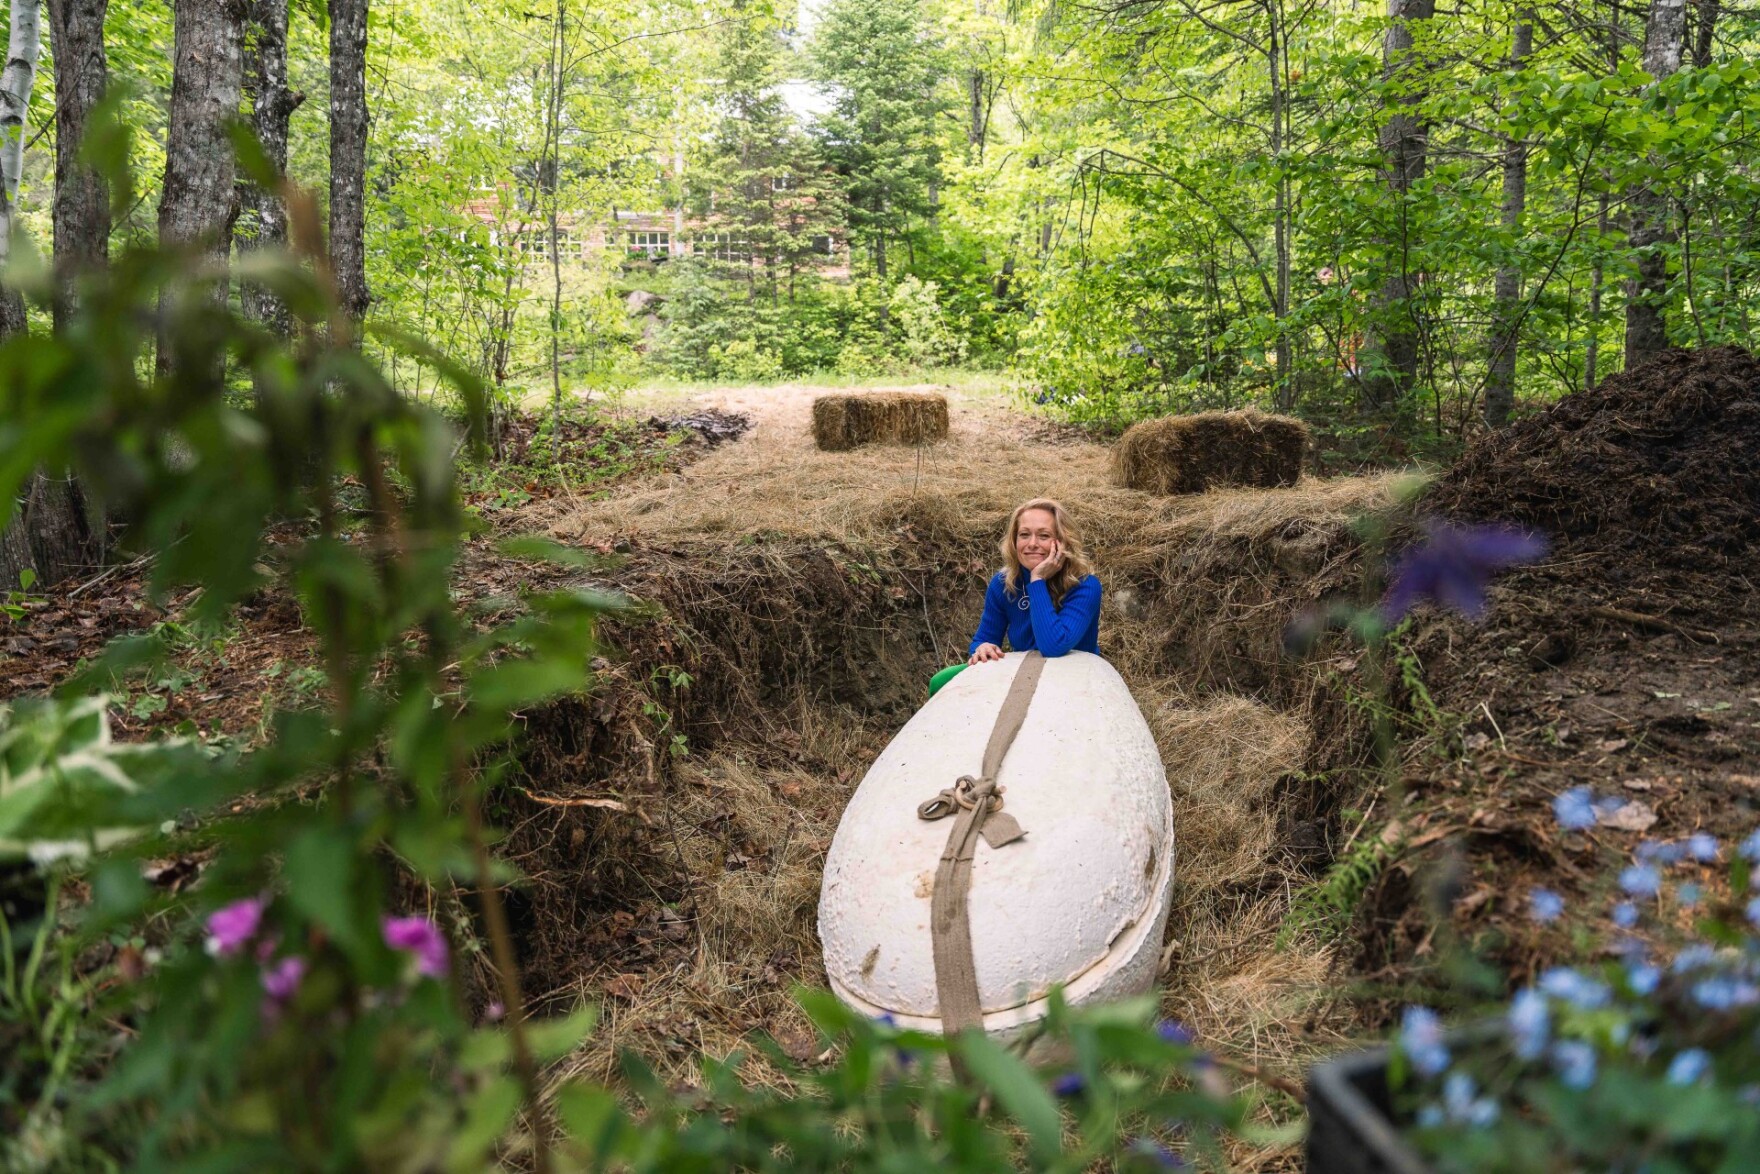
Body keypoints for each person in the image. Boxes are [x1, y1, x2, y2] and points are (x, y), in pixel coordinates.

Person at [927, 497, 1102, 698]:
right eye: (1024, 535)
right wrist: (982, 647)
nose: (1032, 544)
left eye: (1044, 536)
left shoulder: (1085, 586)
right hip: (1023, 670)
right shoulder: (1004, 583)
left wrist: (1037, 581)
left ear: (1062, 542)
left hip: (1072, 673)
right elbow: (983, 638)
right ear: (1014, 541)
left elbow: (1054, 646)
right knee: (940, 681)